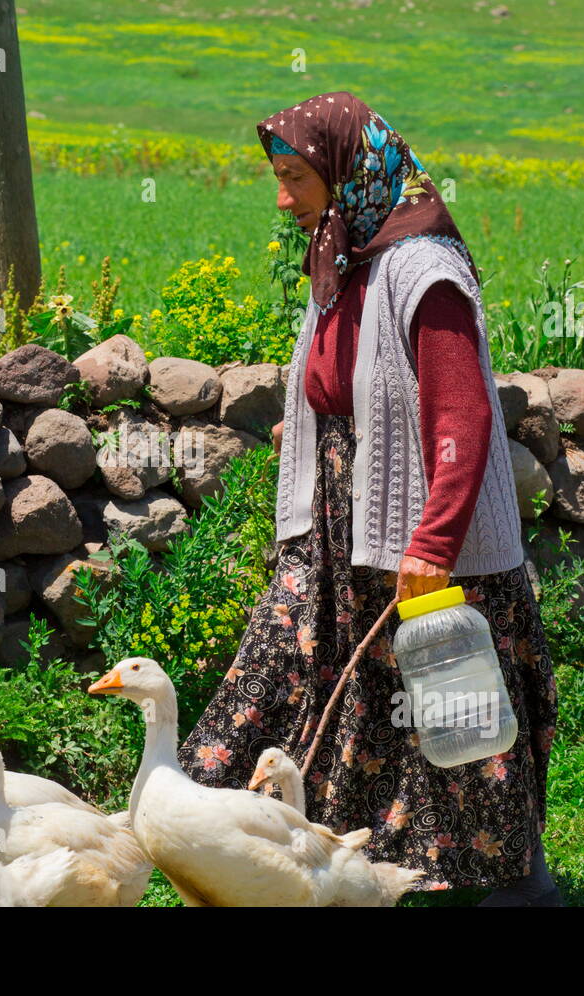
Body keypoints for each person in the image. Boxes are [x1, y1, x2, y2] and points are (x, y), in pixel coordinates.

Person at [178, 92, 562, 906]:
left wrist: (434, 541)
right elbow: (348, 376)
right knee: (314, 671)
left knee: (454, 692)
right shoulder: (345, 252)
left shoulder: (425, 272)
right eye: (278, 178)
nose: (282, 199)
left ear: (349, 169)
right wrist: (315, 430)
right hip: (343, 511)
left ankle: (517, 881)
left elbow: (462, 414)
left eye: (293, 177)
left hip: (423, 520)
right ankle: (235, 837)